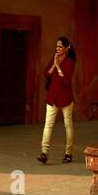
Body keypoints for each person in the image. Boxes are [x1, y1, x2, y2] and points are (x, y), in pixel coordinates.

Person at [37, 36, 76, 165]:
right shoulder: (54, 58)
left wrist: (59, 67)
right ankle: (44, 153)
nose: (57, 49)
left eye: (60, 47)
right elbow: (46, 74)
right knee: (48, 125)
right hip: (53, 96)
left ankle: (68, 153)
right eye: (56, 46)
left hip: (65, 97)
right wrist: (54, 65)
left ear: (66, 48)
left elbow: (65, 81)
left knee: (68, 125)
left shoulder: (70, 62)